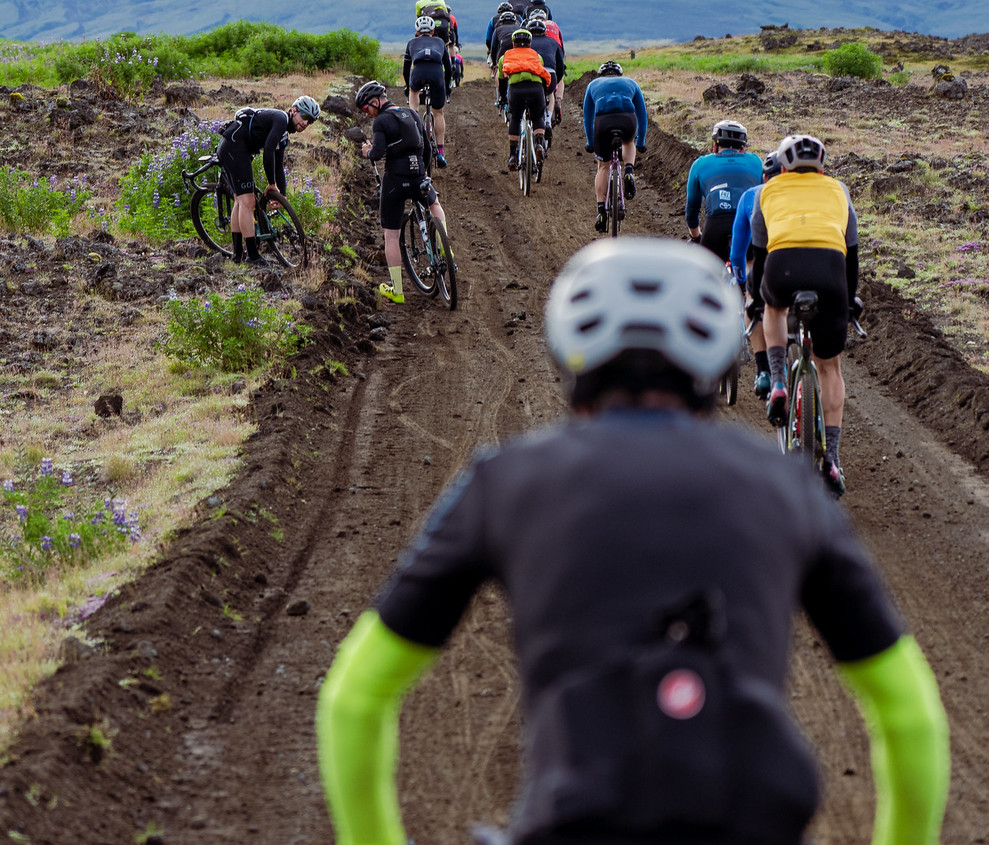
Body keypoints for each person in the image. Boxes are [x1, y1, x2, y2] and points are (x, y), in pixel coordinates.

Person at [316, 238, 950, 845]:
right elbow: (908, 711)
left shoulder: (507, 481)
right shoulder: (784, 486)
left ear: (569, 353)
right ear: (717, 361)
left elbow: (355, 698)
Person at [748, 134, 861, 497]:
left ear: (782, 167)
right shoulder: (838, 191)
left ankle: (779, 381)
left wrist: (756, 296)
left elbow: (759, 255)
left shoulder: (767, 192)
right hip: (831, 271)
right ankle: (832, 461)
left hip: (783, 268)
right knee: (830, 368)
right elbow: (852, 254)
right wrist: (849, 300)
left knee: (773, 307)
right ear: (822, 167)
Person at [353, 80, 445, 304]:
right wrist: (423, 174)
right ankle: (445, 250)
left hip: (395, 180)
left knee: (391, 235)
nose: (367, 114)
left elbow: (377, 153)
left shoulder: (381, 121)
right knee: (434, 206)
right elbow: (427, 147)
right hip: (419, 176)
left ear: (376, 102)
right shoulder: (412, 114)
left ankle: (397, 290)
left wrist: (366, 152)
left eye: (366, 109)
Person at [215, 95, 321, 265]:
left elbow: (278, 165)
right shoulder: (280, 118)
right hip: (233, 146)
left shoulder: (284, 134)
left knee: (240, 201)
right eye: (305, 116)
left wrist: (282, 194)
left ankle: (237, 255)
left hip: (237, 147)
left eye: (311, 121)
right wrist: (272, 184)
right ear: (294, 110)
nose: (306, 123)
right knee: (247, 202)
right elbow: (268, 152)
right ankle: (252, 256)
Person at [731, 151, 785, 401]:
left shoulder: (752, 196)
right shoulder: (801, 197)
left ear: (764, 176)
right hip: (803, 261)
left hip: (761, 259)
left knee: (755, 303)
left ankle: (764, 370)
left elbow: (737, 250)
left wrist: (743, 285)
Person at [684, 121, 764, 264]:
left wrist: (696, 237)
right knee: (750, 268)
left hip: (715, 226)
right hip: (749, 224)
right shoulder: (756, 161)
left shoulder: (700, 163)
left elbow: (692, 209)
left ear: (715, 146)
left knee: (708, 275)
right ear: (742, 149)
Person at [581, 61, 647, 232]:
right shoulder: (631, 83)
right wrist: (640, 142)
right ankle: (629, 171)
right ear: (620, 74)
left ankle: (601, 211)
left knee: (603, 166)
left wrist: (590, 142)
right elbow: (642, 114)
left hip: (603, 122)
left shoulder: (593, 84)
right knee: (628, 142)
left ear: (601, 75)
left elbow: (587, 118)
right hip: (627, 120)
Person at [400, 16, 453, 167]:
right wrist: (447, 86)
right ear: (433, 31)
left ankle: (414, 118)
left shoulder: (411, 43)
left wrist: (408, 86)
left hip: (418, 74)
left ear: (417, 32)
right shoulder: (440, 42)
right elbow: (448, 69)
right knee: (438, 113)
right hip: (437, 75)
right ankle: (441, 154)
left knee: (413, 92)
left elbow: (405, 70)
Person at [499, 27, 552, 175]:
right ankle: (539, 144)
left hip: (516, 91)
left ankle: (513, 156)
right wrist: (545, 96)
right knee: (537, 117)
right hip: (536, 90)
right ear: (530, 43)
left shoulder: (505, 56)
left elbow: (502, 81)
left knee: (515, 118)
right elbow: (542, 77)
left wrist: (503, 98)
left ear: (513, 43)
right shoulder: (536, 55)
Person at [526, 14, 566, 129]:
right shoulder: (552, 42)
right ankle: (548, 120)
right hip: (550, 74)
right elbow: (560, 66)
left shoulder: (528, 43)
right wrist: (556, 81)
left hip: (533, 75)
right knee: (550, 93)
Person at [487, 8, 522, 108]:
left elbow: (493, 47)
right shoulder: (519, 27)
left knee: (500, 71)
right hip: (517, 53)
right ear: (515, 21)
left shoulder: (497, 29)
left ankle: (501, 97)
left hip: (503, 53)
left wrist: (494, 64)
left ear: (501, 22)